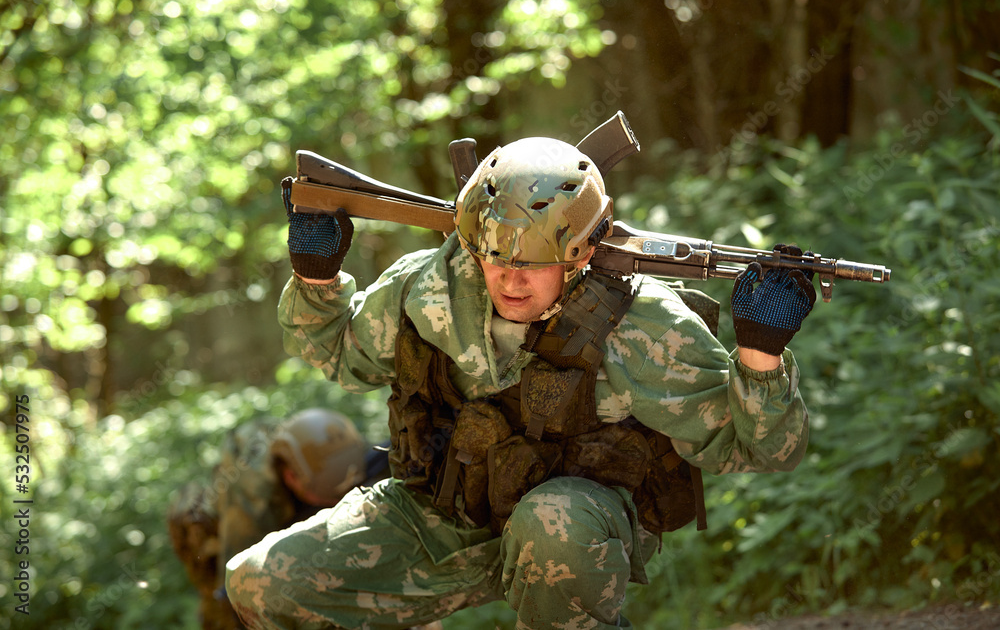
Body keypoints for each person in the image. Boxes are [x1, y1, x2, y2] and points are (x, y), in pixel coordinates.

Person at [225, 136, 815, 629]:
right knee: (260, 582)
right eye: (493, 256)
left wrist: (759, 356)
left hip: (569, 532)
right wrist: (316, 274)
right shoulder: (431, 289)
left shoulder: (641, 325)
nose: (509, 278)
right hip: (441, 512)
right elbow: (334, 354)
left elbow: (763, 448)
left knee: (552, 524)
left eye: (534, 261)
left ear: (580, 253)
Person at [169, 408, 382, 629]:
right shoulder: (254, 500)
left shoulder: (328, 444)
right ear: (291, 477)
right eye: (326, 499)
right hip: (203, 533)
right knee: (229, 608)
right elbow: (239, 584)